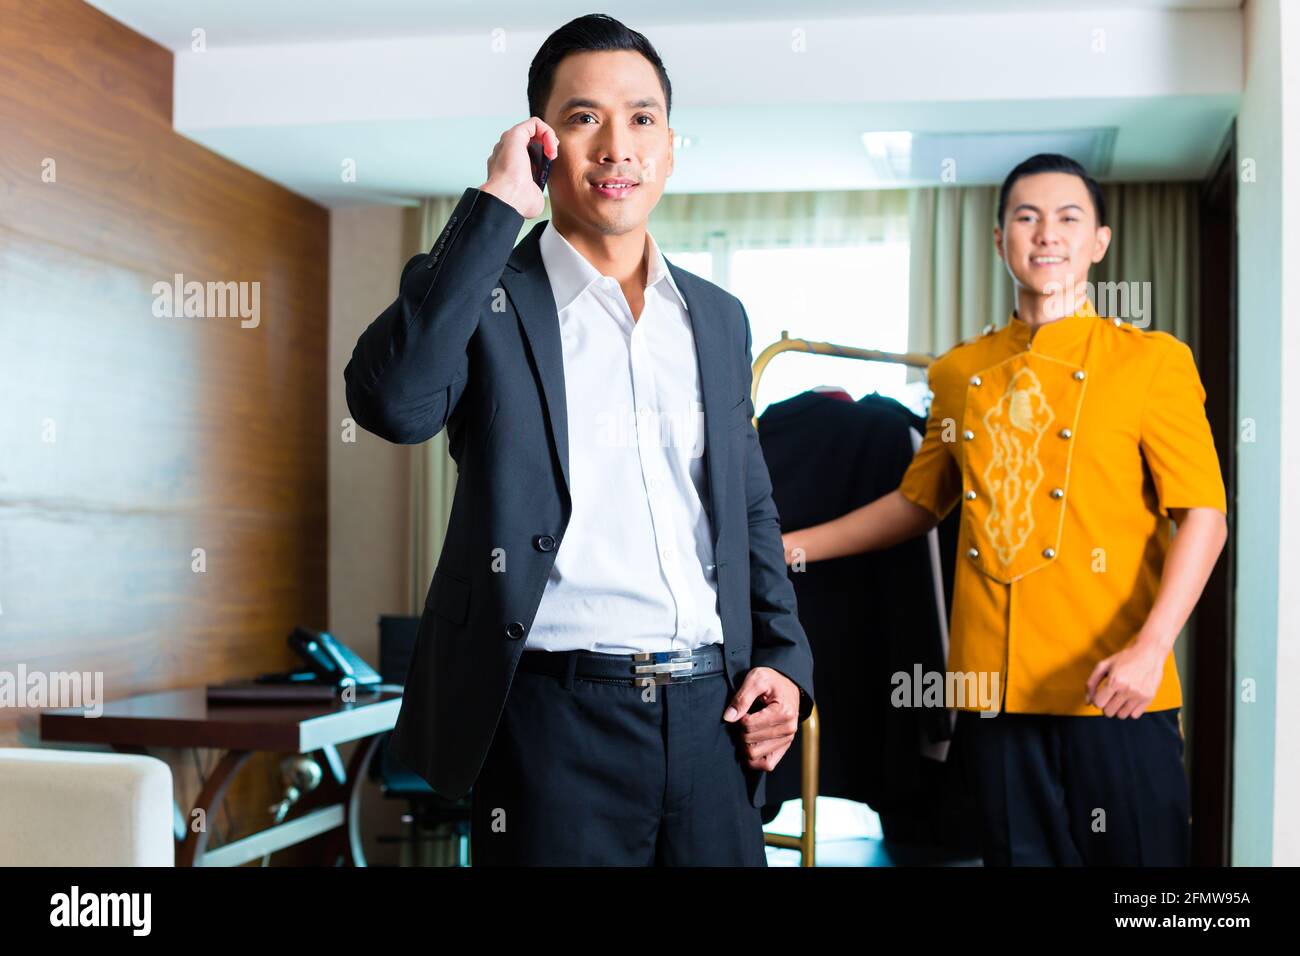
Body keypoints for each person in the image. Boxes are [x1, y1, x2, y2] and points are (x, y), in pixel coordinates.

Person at [344, 14, 814, 866]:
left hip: (713, 719)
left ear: (670, 147)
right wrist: (494, 208)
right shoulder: (484, 294)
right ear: (542, 145)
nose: (616, 145)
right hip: (551, 725)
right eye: (582, 117)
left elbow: (747, 503)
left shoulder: (718, 316)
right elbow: (393, 404)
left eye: (641, 118)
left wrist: (784, 659)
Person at [782, 153, 1227, 866]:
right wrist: (790, 547)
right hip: (993, 701)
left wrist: (1152, 648)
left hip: (1117, 690)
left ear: (1099, 243)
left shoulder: (1153, 362)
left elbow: (1203, 514)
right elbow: (918, 503)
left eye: (1067, 218)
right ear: (999, 240)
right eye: (1026, 217)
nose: (1046, 234)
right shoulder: (959, 372)